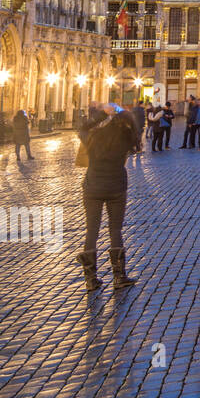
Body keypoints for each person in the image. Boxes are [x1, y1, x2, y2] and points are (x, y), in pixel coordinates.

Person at [75, 106, 138, 289]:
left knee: (92, 231)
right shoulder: (126, 139)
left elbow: (83, 128)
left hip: (93, 186)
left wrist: (102, 114)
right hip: (116, 187)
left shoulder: (94, 137)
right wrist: (124, 117)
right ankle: (119, 276)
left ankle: (90, 279)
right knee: (115, 230)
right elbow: (135, 130)